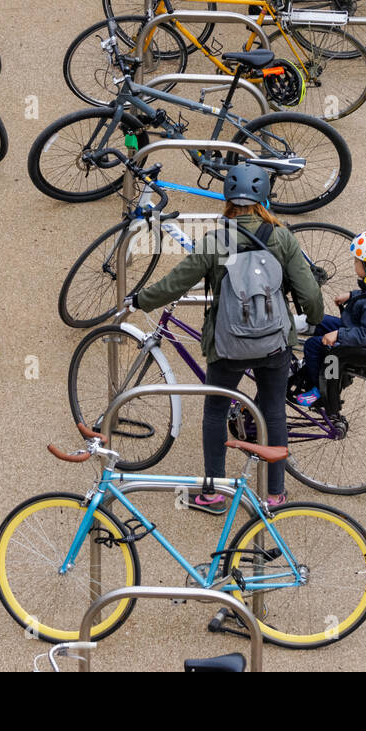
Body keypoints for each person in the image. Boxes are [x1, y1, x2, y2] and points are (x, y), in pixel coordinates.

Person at [126, 163, 325, 512]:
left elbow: (176, 283)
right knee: (273, 410)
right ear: (264, 197)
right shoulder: (281, 237)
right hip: (274, 342)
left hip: (228, 344)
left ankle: (214, 493)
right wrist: (314, 320)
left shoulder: (215, 239)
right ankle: (274, 494)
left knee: (216, 410)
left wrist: (139, 299)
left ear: (228, 199)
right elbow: (308, 293)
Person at [292, 231, 366, 407]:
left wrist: (338, 335)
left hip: (357, 341)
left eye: (356, 261)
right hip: (354, 326)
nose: (354, 263)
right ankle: (298, 325)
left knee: (313, 346)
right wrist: (352, 295)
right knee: (320, 320)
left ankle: (318, 389)